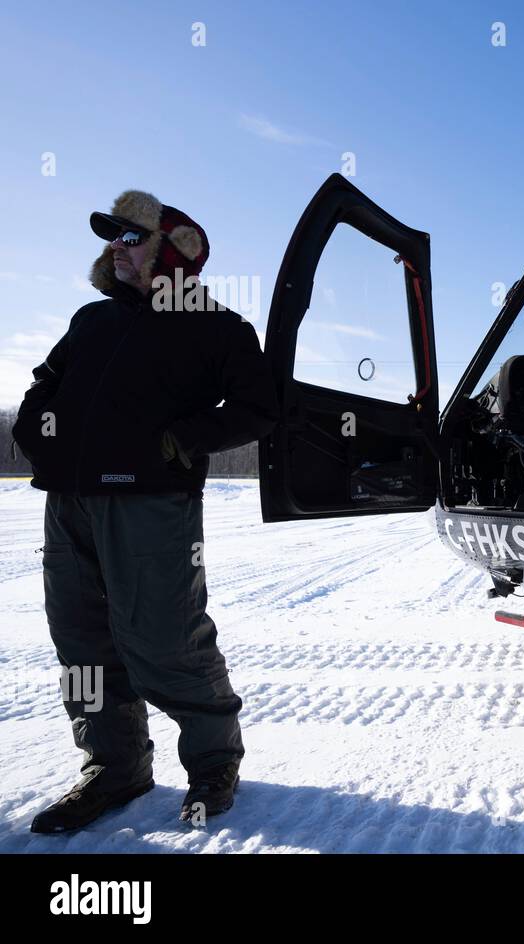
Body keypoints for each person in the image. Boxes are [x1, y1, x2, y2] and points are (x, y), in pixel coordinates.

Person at [12, 189, 278, 832]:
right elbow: (44, 384)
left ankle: (214, 763)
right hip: (69, 502)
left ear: (172, 251)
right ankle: (114, 766)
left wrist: (184, 438)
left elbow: (262, 407)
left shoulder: (216, 326)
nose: (113, 248)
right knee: (80, 641)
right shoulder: (91, 320)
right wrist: (34, 426)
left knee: (165, 639)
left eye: (129, 237)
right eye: (111, 238)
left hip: (151, 504)